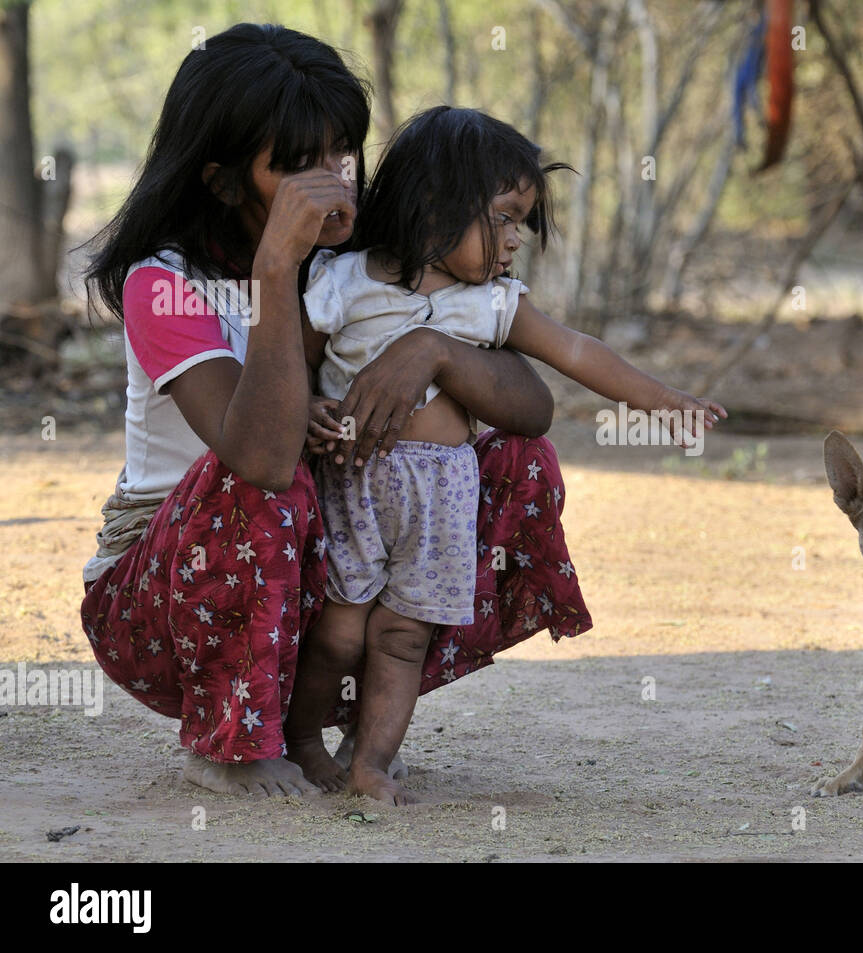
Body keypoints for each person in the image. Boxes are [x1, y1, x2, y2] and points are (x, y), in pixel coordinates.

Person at [80, 24, 581, 798]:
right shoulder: (166, 284)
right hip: (168, 604)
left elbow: (532, 408)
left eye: (341, 153)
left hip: (315, 577)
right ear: (221, 181)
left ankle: (359, 715)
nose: (332, 181)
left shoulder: (364, 266)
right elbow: (261, 458)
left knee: (515, 463)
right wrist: (275, 269)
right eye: (299, 165)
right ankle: (229, 737)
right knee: (270, 485)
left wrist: (433, 350)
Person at [284, 107, 727, 804]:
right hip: (355, 486)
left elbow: (578, 351)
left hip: (443, 500)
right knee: (339, 633)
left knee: (402, 637)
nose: (518, 239)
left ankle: (370, 760)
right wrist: (308, 406)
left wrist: (664, 401)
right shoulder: (342, 282)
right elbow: (294, 370)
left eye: (523, 221)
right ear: (435, 205)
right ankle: (303, 740)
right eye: (506, 217)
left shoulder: (490, 303)